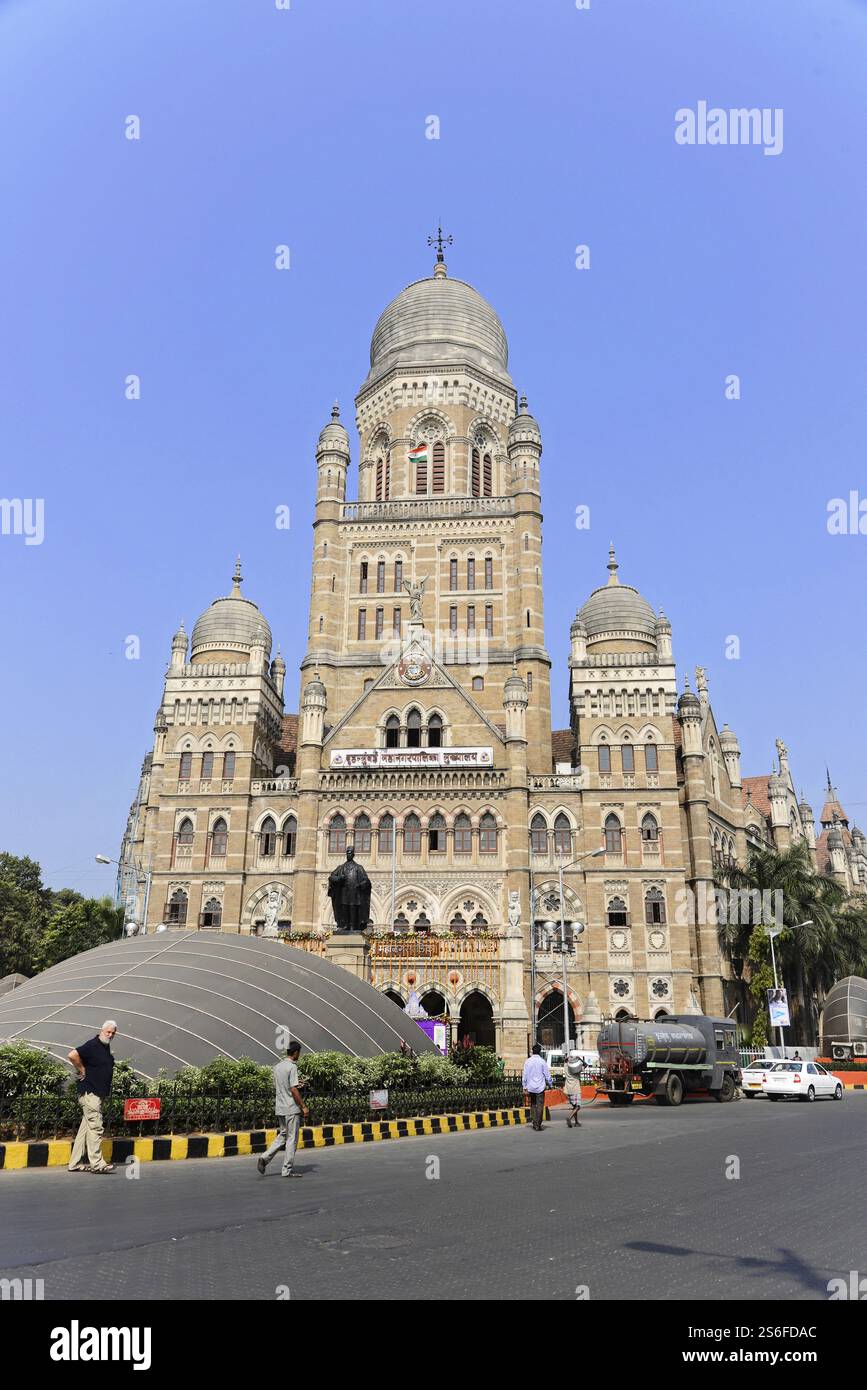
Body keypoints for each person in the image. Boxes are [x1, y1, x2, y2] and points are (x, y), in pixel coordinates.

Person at [67, 1020, 118, 1173]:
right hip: (91, 1094)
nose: (110, 1035)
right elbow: (72, 1055)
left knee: (85, 1130)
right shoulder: (93, 1045)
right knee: (96, 1127)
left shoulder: (104, 1047)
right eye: (108, 1032)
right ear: (101, 1030)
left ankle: (74, 1163)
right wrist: (82, 1069)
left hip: (97, 1094)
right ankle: (97, 1164)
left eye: (113, 1033)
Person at [257, 1041, 309, 1178]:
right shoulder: (292, 1067)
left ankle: (265, 1157)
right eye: (299, 1053)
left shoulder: (277, 1067)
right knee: (292, 1138)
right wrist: (303, 1106)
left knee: (283, 1135)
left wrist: (297, 1084)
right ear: (296, 1052)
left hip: (280, 1107)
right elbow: (292, 1089)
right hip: (291, 1107)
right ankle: (287, 1169)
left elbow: (280, 1086)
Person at [522, 1043, 552, 1132]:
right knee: (540, 1106)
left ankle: (535, 1122)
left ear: (532, 1051)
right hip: (540, 1087)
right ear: (539, 1052)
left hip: (530, 1087)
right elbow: (547, 1075)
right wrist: (550, 1084)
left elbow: (525, 1075)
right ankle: (538, 1124)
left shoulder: (527, 1061)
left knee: (533, 1105)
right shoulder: (542, 1061)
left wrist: (524, 1086)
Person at [564, 1049, 584, 1128]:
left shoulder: (566, 1068)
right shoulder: (577, 1071)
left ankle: (576, 1122)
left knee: (574, 1106)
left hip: (568, 1089)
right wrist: (580, 1059)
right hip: (575, 1090)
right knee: (578, 1107)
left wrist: (567, 1059)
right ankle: (569, 1118)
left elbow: (565, 1062)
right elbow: (585, 1065)